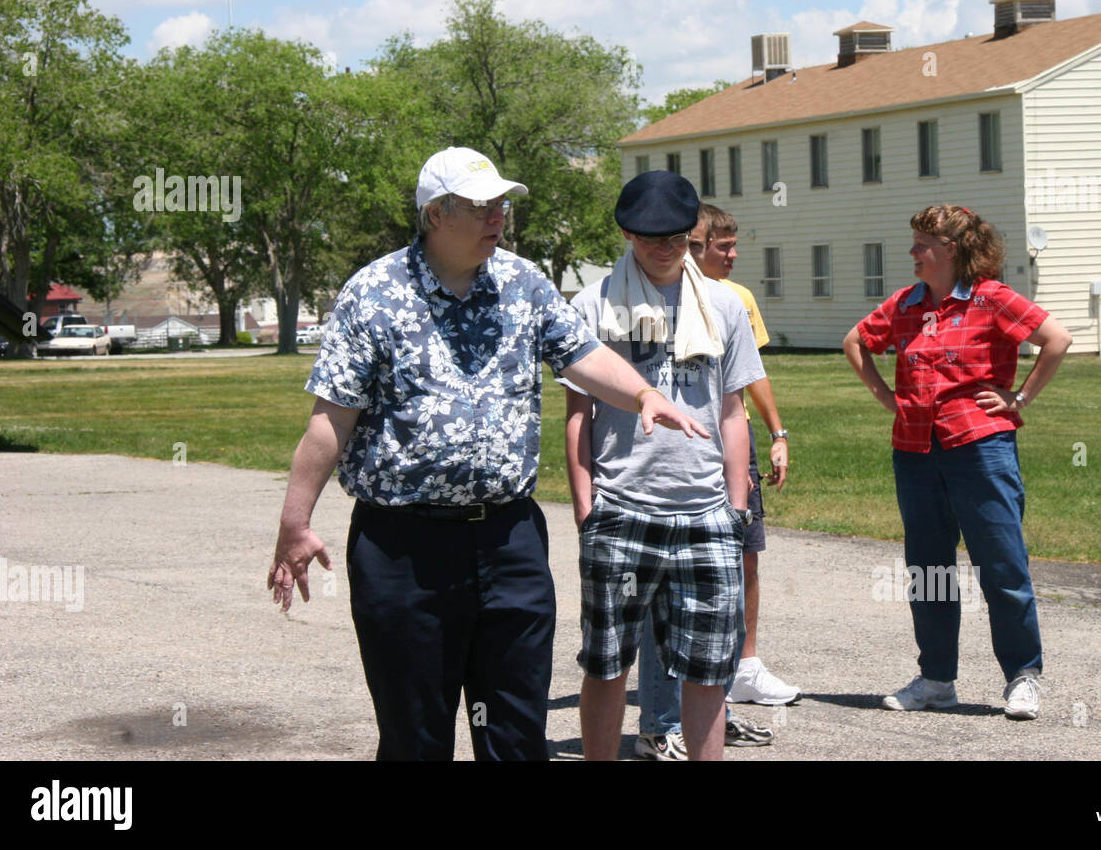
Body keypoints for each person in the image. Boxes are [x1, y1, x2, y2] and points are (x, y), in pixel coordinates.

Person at [266, 147, 707, 761]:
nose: (499, 216)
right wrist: (296, 522)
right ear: (436, 214)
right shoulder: (373, 293)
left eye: (502, 203)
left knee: (515, 731)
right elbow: (330, 419)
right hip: (403, 549)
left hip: (508, 541)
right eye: (482, 206)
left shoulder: (523, 283)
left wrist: (642, 394)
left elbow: (581, 355)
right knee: (415, 734)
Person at [564, 170, 765, 761]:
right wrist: (585, 505)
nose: (666, 247)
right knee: (606, 664)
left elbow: (732, 411)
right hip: (621, 509)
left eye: (678, 236)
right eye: (652, 236)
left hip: (705, 515)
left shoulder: (724, 304)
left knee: (708, 671)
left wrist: (734, 508)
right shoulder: (592, 304)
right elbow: (578, 414)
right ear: (626, 232)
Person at [842, 203, 1071, 720]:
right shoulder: (907, 302)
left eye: (923, 244)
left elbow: (1057, 340)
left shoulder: (992, 299)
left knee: (1001, 565)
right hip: (915, 452)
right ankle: (937, 679)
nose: (913, 253)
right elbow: (856, 341)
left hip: (980, 449)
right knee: (929, 570)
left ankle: (1023, 677)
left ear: (952, 250)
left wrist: (1019, 399)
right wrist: (885, 397)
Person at [631, 203, 797, 758]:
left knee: (720, 601)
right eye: (714, 244)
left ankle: (713, 716)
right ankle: (660, 722)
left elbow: (747, 383)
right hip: (666, 468)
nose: (726, 253)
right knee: (664, 602)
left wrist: (775, 435)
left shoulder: (731, 301)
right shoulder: (640, 300)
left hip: (727, 460)